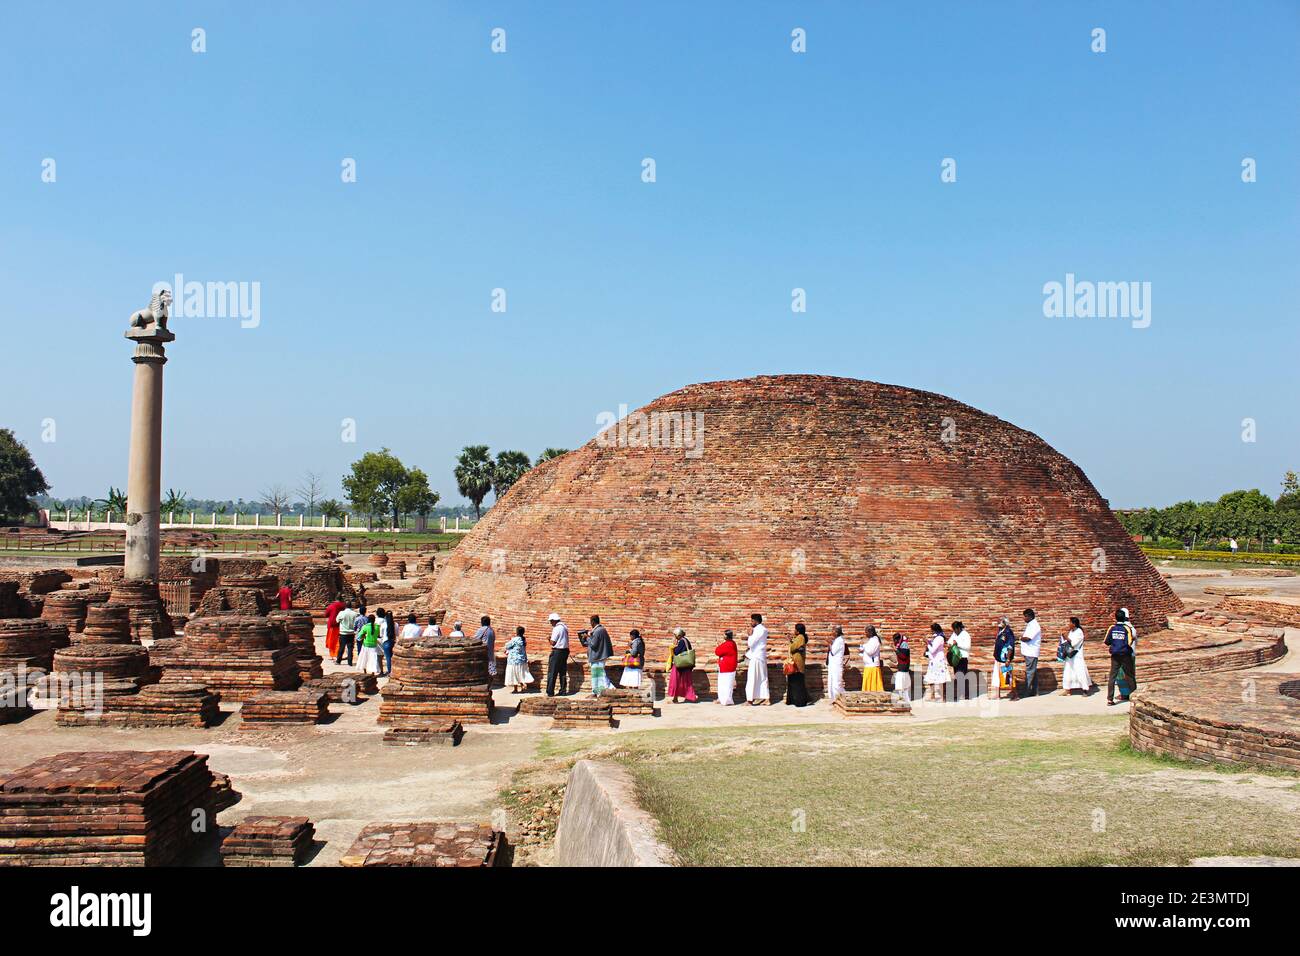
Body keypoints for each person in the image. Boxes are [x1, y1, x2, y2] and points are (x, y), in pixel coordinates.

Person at [1104, 610, 1138, 705]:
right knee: (1130, 675)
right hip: (1125, 655)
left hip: (1115, 655)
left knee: (1112, 676)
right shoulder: (1126, 628)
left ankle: (1110, 699)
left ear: (1115, 618)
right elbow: (1129, 642)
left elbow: (1106, 641)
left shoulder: (1112, 628)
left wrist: (1115, 643)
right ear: (1124, 618)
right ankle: (1134, 696)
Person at [580, 615, 613, 696]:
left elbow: (593, 644)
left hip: (598, 657)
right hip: (598, 656)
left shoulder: (598, 631)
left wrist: (587, 637)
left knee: (599, 676)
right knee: (598, 676)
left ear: (593, 622)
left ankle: (608, 690)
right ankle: (598, 692)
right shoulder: (601, 630)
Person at [744, 613, 770, 705]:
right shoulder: (763, 629)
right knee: (763, 678)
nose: (751, 623)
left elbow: (751, 644)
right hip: (760, 656)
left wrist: (750, 635)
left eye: (752, 621)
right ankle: (765, 699)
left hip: (756, 657)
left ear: (755, 621)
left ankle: (750, 700)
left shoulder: (758, 630)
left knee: (752, 678)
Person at [1061, 616, 1091, 695]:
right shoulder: (1071, 631)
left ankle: (1085, 689)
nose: (1069, 624)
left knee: (1080, 671)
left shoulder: (1079, 632)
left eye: (1070, 622)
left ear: (1074, 624)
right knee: (1068, 671)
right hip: (1070, 655)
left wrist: (1066, 638)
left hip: (1077, 655)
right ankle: (1067, 689)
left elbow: (1074, 643)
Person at [667, 628, 697, 703]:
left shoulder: (682, 642)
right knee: (686, 681)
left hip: (680, 664)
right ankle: (679, 697)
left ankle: (676, 697)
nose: (674, 637)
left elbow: (676, 652)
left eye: (675, 635)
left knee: (676, 681)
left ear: (678, 635)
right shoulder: (686, 640)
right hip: (686, 665)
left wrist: (674, 646)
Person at [991, 617, 1017, 700]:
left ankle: (1015, 695)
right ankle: (997, 695)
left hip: (1004, 658)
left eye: (1000, 622)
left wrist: (1008, 659)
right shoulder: (1000, 631)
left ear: (1004, 623)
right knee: (997, 676)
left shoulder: (1008, 632)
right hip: (998, 658)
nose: (998, 623)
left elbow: (1010, 646)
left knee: (1008, 677)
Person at [784, 623, 810, 707]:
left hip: (797, 664)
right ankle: (793, 700)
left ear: (798, 631)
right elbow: (795, 646)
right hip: (794, 662)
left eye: (795, 629)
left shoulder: (800, 637)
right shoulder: (798, 638)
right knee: (793, 682)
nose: (794, 631)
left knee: (797, 683)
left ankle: (800, 701)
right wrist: (791, 640)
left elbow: (792, 648)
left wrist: (790, 641)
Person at [924, 623, 950, 702]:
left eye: (932, 630)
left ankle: (943, 698)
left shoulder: (939, 638)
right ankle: (932, 696)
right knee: (931, 678)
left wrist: (927, 643)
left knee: (941, 679)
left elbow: (933, 650)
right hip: (933, 661)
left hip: (938, 661)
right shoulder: (936, 638)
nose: (931, 632)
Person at [546, 613, 570, 697]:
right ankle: (563, 690)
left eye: (551, 621)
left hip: (557, 651)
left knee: (552, 672)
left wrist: (549, 639)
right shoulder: (565, 627)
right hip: (565, 651)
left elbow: (553, 642)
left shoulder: (557, 628)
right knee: (562, 671)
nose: (550, 623)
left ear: (554, 620)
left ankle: (550, 691)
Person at [1019, 609, 1042, 698]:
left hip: (1031, 652)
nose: (1024, 618)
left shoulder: (1034, 626)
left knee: (1030, 672)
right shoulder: (1030, 625)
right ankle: (1035, 691)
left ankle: (1026, 692)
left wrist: (1020, 638)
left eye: (1025, 616)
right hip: (1028, 651)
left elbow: (1028, 638)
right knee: (1033, 672)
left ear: (1030, 616)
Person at [504, 626, 533, 693]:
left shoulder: (515, 639)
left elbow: (507, 645)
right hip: (522, 659)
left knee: (514, 674)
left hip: (513, 660)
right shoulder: (523, 640)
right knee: (521, 673)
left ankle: (515, 689)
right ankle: (523, 684)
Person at [947, 621, 971, 697]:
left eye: (955, 629)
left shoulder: (966, 635)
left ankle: (965, 694)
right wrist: (950, 644)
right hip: (955, 658)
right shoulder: (954, 634)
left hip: (962, 657)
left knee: (962, 675)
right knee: (957, 675)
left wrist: (958, 645)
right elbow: (950, 641)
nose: (954, 631)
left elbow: (968, 646)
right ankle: (959, 693)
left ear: (959, 628)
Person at [715, 629, 739, 704]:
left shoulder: (728, 644)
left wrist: (719, 645)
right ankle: (722, 699)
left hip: (727, 667)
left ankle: (726, 700)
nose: (723, 636)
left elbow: (717, 651)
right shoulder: (732, 643)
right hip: (728, 667)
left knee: (725, 684)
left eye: (724, 634)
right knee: (726, 684)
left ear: (727, 636)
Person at [335, 601, 359, 666]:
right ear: (351, 606)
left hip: (343, 633)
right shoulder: (355, 613)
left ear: (345, 606)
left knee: (341, 648)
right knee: (350, 648)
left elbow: (337, 621)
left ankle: (338, 661)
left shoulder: (341, 613)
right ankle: (350, 662)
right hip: (351, 633)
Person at [826, 626, 846, 702]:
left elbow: (833, 651)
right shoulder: (836, 640)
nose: (832, 632)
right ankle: (833, 698)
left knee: (836, 682)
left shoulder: (839, 640)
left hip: (836, 664)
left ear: (837, 632)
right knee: (832, 680)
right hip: (832, 664)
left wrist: (830, 643)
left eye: (833, 631)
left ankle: (838, 698)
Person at [860, 626, 883, 692]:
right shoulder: (871, 640)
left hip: (872, 666)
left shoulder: (875, 640)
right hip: (869, 666)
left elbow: (870, 651)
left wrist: (864, 646)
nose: (865, 634)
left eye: (866, 632)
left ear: (871, 632)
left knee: (873, 686)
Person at [475, 615, 497, 680]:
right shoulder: (492, 630)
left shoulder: (482, 629)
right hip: (490, 653)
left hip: (483, 653)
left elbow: (475, 639)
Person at [324, 594, 345, 659]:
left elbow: (326, 614)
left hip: (332, 624)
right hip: (341, 624)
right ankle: (338, 653)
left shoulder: (331, 606)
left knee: (332, 639)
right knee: (339, 640)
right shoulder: (343, 606)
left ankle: (333, 654)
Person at [891, 632, 911, 699]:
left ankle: (903, 698)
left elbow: (903, 656)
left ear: (897, 640)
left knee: (901, 683)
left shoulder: (904, 644)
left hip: (903, 667)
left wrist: (896, 650)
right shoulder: (901, 644)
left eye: (894, 640)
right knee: (903, 683)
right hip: (902, 667)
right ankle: (903, 697)